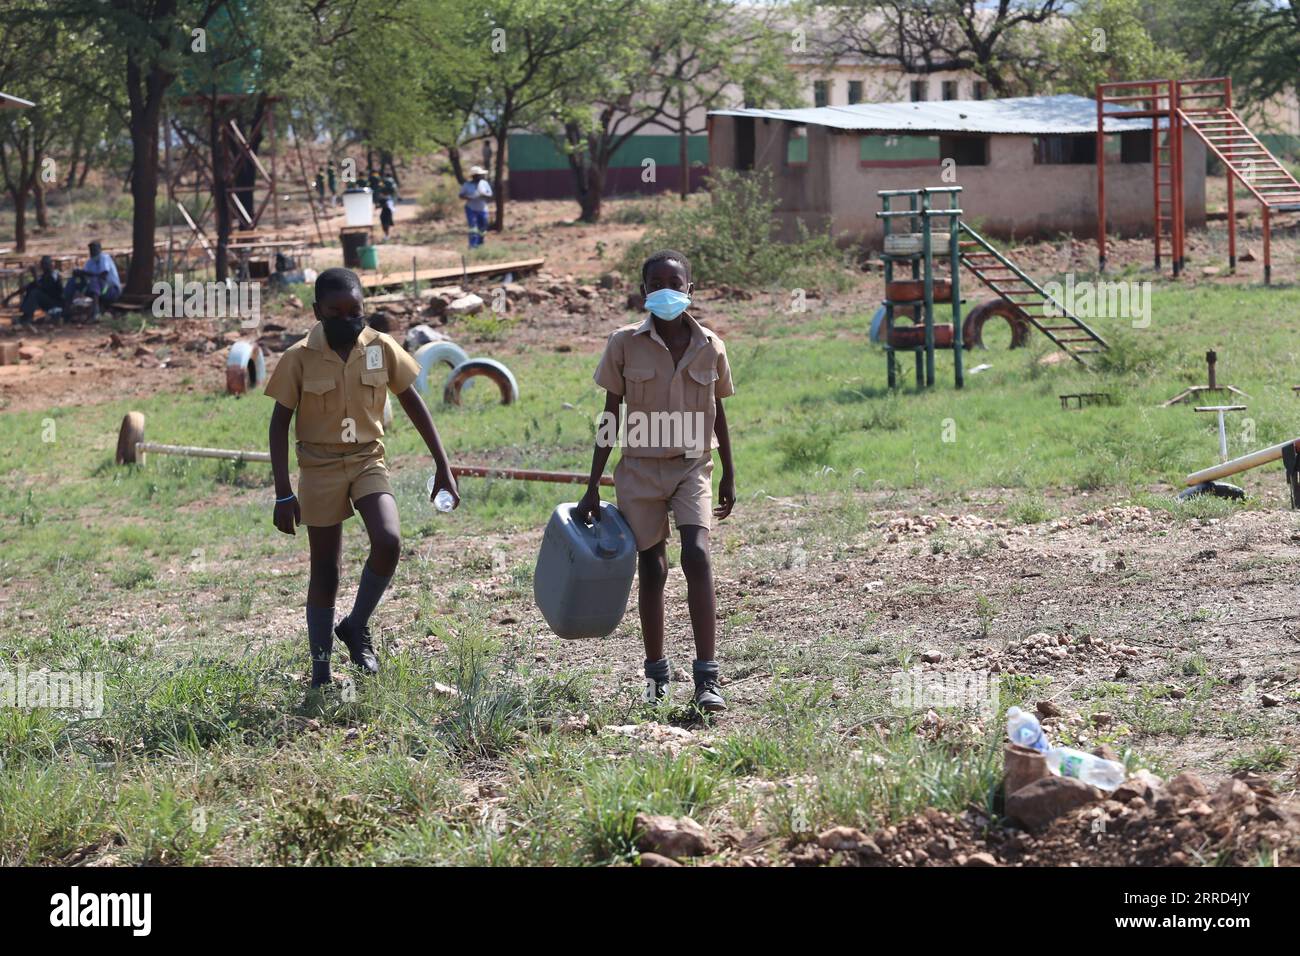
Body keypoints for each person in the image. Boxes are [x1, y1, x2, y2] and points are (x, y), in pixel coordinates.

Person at [264, 268, 459, 693]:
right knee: (326, 569)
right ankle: (320, 670)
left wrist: (443, 465)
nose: (348, 319)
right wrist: (283, 492)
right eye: (336, 311)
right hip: (319, 466)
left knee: (389, 541)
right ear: (317, 312)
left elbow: (412, 401)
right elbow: (279, 425)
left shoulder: (380, 347)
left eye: (356, 310)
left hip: (368, 459)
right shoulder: (299, 357)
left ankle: (355, 626)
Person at [575, 250, 736, 713]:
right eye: (657, 282)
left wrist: (729, 469)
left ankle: (708, 677)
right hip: (639, 470)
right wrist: (593, 484)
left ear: (691, 288)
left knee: (698, 554)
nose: (667, 289)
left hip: (692, 466)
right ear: (644, 291)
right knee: (652, 568)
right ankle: (656, 675)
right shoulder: (624, 343)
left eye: (675, 281)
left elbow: (718, 410)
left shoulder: (711, 346)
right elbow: (610, 414)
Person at [68, 241, 121, 318]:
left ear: (99, 249)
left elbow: (103, 275)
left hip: (111, 290)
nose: (93, 251)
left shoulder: (104, 258)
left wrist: (86, 273)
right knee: (73, 280)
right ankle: (67, 308)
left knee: (94, 280)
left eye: (95, 249)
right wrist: (79, 274)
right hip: (99, 290)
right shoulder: (90, 262)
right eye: (91, 249)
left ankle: (96, 312)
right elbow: (86, 275)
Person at [18, 256, 64, 324]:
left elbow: (43, 287)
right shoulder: (44, 276)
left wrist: (34, 275)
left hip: (55, 304)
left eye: (45, 264)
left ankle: (27, 317)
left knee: (35, 293)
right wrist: (10, 296)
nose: (44, 266)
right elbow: (29, 286)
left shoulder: (54, 275)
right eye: (43, 264)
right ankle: (26, 315)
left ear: (51, 265)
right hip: (47, 302)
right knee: (31, 289)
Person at [459, 166, 492, 248]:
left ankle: (480, 244)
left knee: (482, 227)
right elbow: (461, 195)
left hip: (482, 209)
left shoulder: (484, 184)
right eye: (479, 175)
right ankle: (473, 246)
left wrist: (483, 195)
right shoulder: (467, 185)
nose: (481, 176)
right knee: (473, 228)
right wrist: (469, 197)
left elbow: (489, 194)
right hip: (471, 208)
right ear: (474, 176)